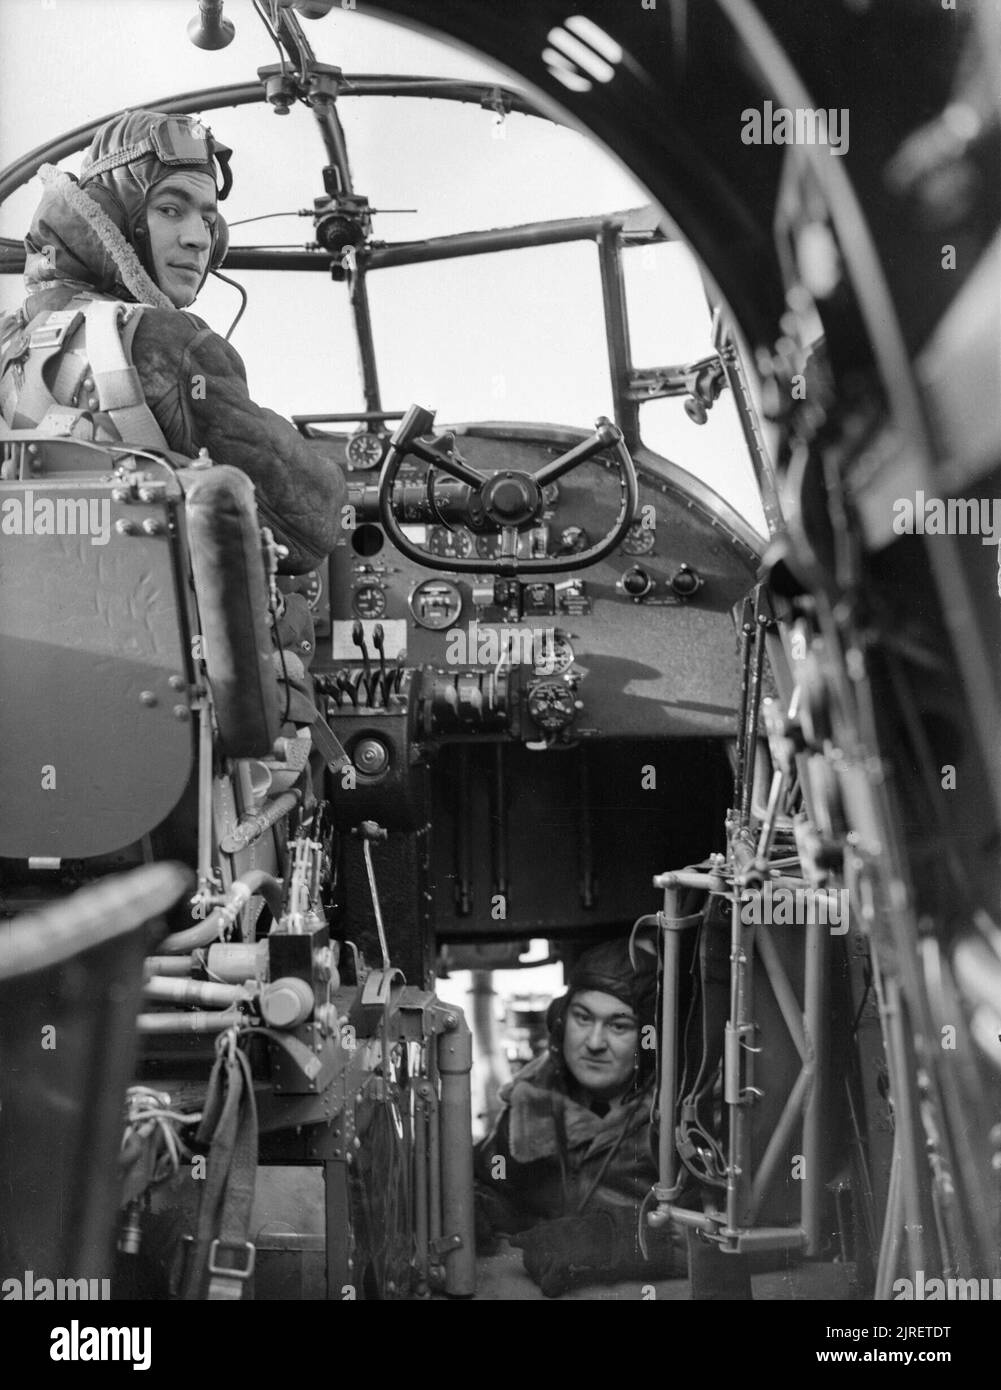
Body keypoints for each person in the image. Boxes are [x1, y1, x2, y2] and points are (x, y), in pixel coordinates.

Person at [0, 110, 344, 572]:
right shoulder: (169, 342)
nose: (198, 240)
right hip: (169, 629)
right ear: (113, 218)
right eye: (170, 210)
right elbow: (311, 525)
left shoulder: (12, 339)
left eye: (208, 221)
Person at [474, 936, 688, 1297]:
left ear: (650, 1039)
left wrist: (610, 1241)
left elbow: (722, 1238)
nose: (593, 1042)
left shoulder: (682, 1123)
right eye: (582, 1018)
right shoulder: (531, 1101)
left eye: (619, 1025)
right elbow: (493, 1185)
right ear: (560, 1020)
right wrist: (477, 1207)